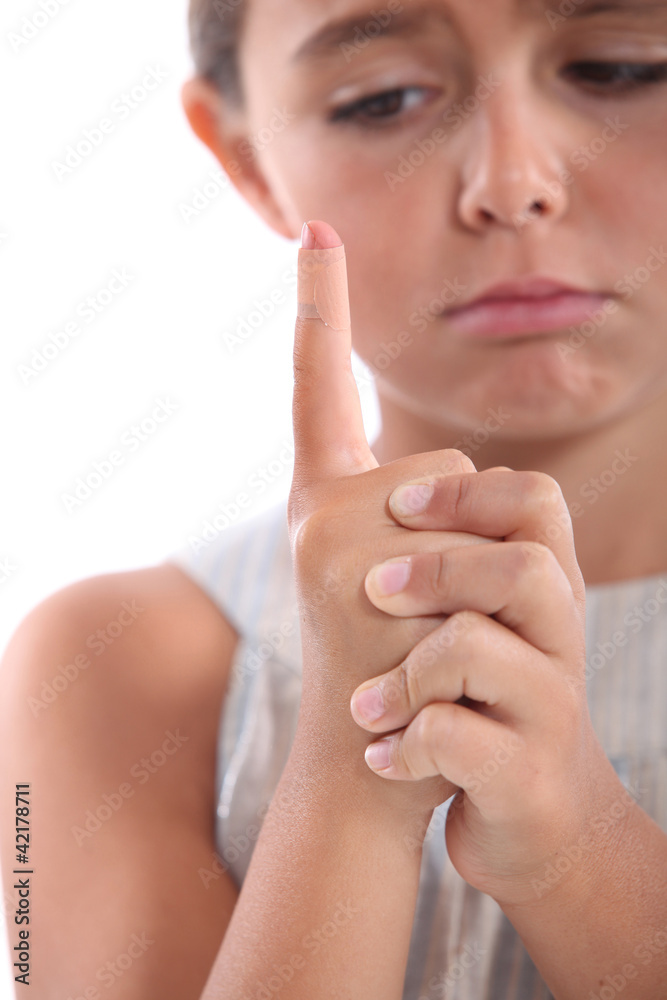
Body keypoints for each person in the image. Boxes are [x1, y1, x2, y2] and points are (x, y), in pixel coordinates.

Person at [1, 0, 667, 997]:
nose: (511, 183)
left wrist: (576, 849)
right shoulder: (106, 669)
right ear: (247, 161)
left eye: (620, 67)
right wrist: (353, 776)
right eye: (381, 99)